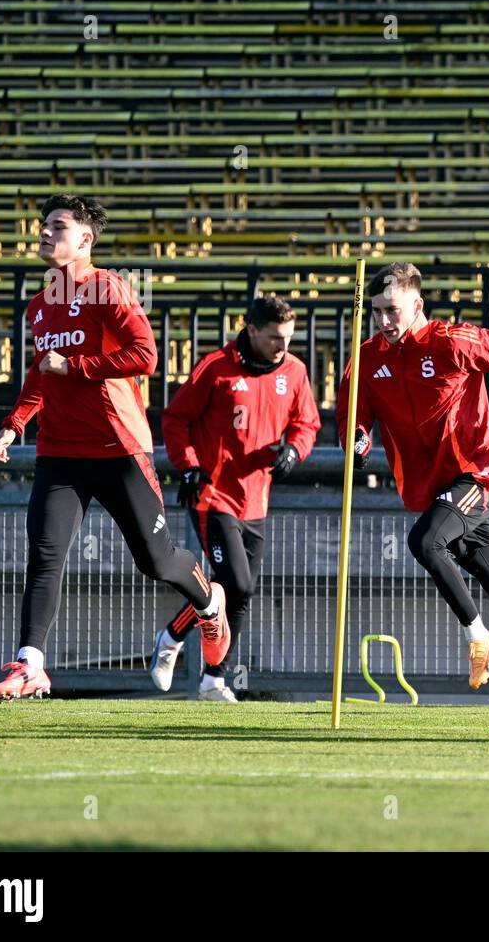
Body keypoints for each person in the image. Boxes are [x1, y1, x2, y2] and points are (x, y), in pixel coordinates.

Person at [0, 193, 228, 700]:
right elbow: (41, 374)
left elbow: (146, 355)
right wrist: (15, 423)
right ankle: (30, 664)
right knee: (45, 555)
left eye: (58, 225)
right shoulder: (39, 306)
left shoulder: (108, 288)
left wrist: (75, 368)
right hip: (60, 452)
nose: (45, 232)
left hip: (118, 445)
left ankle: (209, 604)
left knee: (157, 562)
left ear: (85, 240)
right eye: (44, 225)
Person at [337, 262, 489, 701]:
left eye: (392, 310)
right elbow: (352, 413)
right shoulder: (367, 357)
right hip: (428, 486)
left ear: (418, 304)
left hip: (475, 471)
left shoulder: (453, 340)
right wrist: (355, 440)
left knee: (424, 542)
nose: (384, 321)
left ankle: (479, 638)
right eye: (376, 312)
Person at [149, 294, 321, 701]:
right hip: (213, 495)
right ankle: (172, 638)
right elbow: (175, 419)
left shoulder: (294, 372)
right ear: (252, 330)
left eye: (289, 338)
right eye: (276, 338)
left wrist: (294, 450)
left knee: (239, 592)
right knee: (235, 583)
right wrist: (188, 465)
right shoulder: (216, 368)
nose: (284, 346)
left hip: (257, 497)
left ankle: (214, 680)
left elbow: (307, 424)